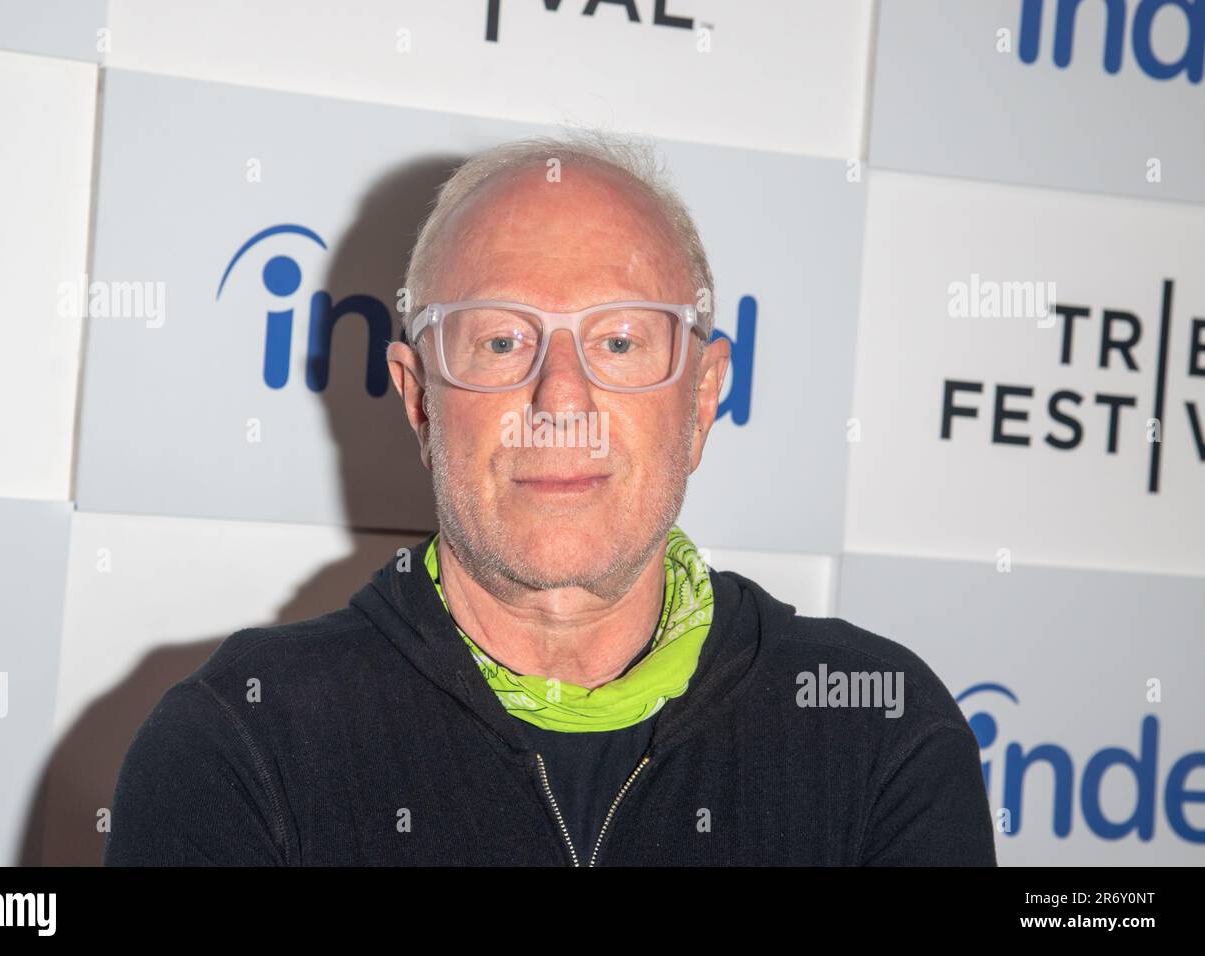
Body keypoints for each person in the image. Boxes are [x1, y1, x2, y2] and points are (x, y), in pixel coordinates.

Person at [103, 131, 996, 866]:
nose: (560, 400)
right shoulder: (239, 744)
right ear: (421, 401)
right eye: (498, 342)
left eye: (617, 340)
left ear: (705, 395)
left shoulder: (877, 730)